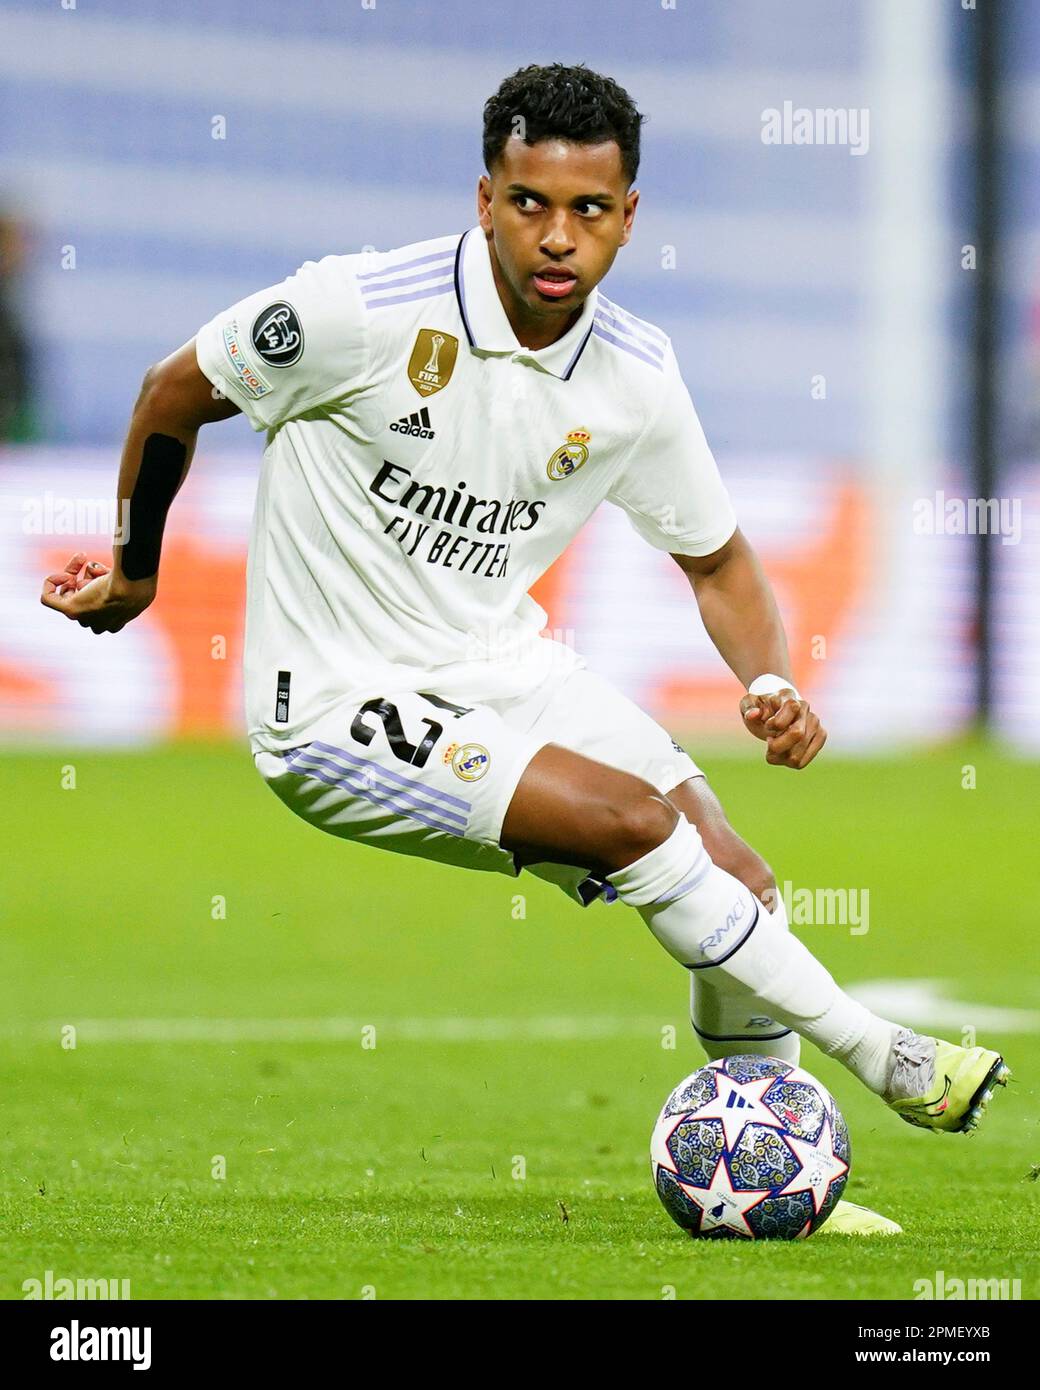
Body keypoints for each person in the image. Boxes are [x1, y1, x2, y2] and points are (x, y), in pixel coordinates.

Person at [41, 63, 1009, 1238]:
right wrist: (137, 567)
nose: (558, 237)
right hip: (337, 704)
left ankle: (772, 1178)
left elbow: (716, 562)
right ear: (485, 196)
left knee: (733, 870)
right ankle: (887, 1057)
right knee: (635, 825)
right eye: (528, 202)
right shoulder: (359, 310)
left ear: (629, 216)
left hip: (503, 665)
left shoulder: (636, 380)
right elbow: (173, 389)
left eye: (588, 210)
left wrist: (764, 679)